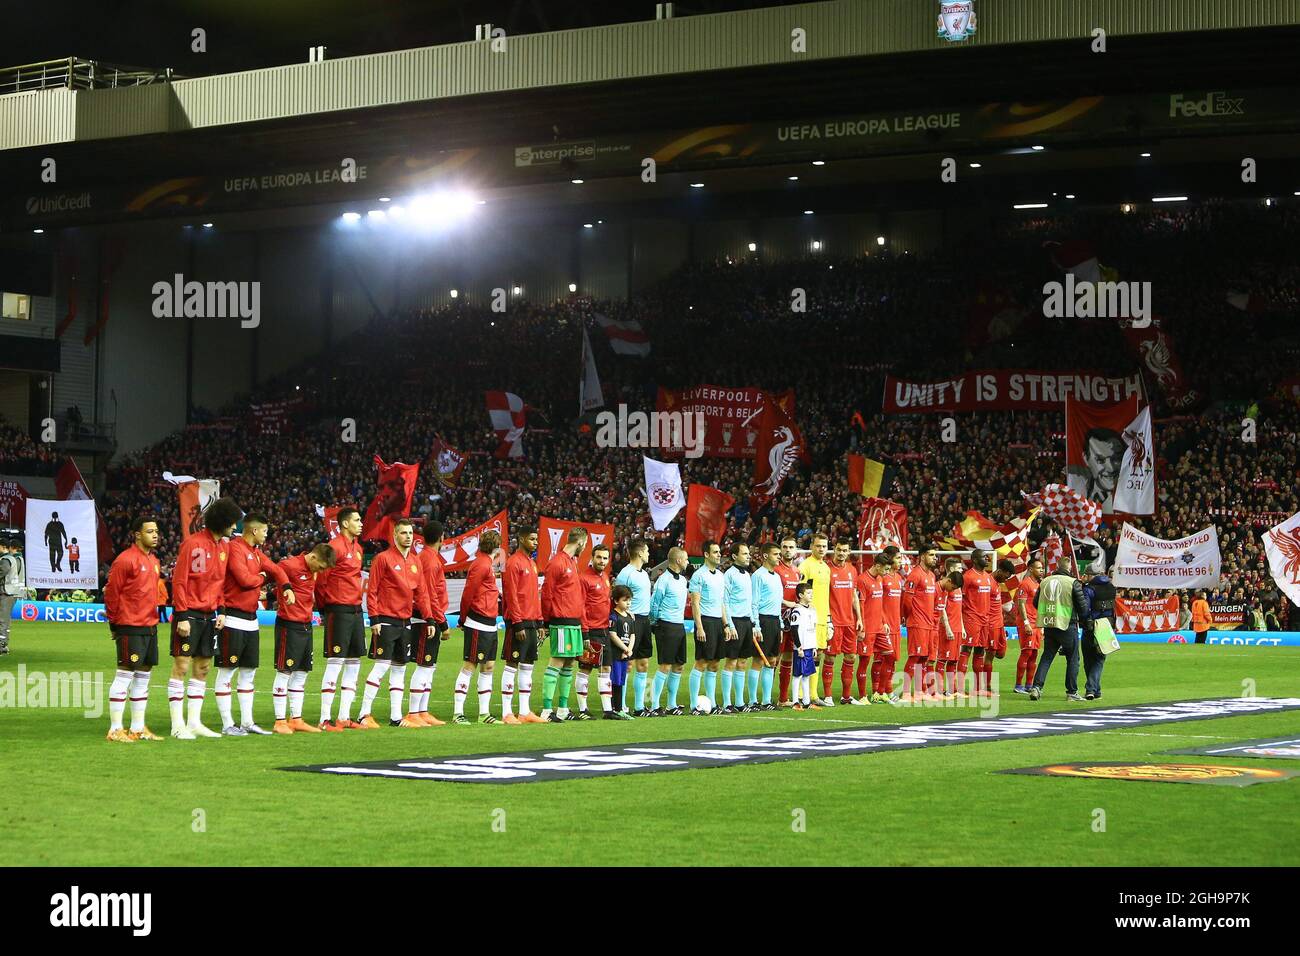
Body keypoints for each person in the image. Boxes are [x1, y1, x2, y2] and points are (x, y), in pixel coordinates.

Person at [168, 496, 241, 739]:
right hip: (189, 613)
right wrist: (181, 615)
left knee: (203, 668)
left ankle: (194, 722)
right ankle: (177, 726)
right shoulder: (192, 544)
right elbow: (179, 580)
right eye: (231, 522)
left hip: (211, 615)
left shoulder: (224, 547)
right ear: (221, 521)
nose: (234, 527)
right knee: (181, 665)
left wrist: (221, 610)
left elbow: (220, 583)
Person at [216, 513, 293, 736]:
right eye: (265, 532)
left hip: (251, 620)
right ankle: (227, 723)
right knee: (227, 672)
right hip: (232, 618)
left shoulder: (256, 553)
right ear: (254, 531)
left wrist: (286, 586)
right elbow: (245, 580)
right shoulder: (234, 549)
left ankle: (247, 722)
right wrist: (261, 577)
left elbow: (278, 570)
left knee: (249, 673)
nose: (267, 536)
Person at [358, 517, 431, 729]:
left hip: (405, 621)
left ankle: (396, 717)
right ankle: (364, 714)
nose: (408, 537)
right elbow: (372, 590)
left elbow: (422, 594)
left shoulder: (416, 562)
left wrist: (429, 618)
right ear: (395, 535)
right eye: (403, 533)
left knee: (400, 669)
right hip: (386, 620)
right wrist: (374, 618)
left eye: (410, 533)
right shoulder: (383, 559)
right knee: (381, 667)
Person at [103, 517, 164, 742]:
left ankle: (138, 728)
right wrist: (114, 624)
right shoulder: (125, 560)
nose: (155, 535)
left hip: (150, 625)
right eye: (150, 531)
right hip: (130, 625)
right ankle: (115, 729)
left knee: (143, 677)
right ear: (137, 534)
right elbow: (111, 594)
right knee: (124, 675)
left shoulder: (154, 561)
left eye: (156, 531)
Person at [270, 544, 337, 734]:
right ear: (313, 558)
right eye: (322, 567)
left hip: (306, 624)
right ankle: (279, 721)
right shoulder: (290, 565)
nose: (321, 571)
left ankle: (296, 718)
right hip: (288, 624)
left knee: (301, 674)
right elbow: (273, 573)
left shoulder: (311, 570)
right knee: (285, 672)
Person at [316, 506, 367, 729]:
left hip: (356, 610)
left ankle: (344, 716)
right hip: (338, 610)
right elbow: (320, 581)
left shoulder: (359, 549)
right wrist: (324, 610)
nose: (361, 523)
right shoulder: (333, 547)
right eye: (357, 520)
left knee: (354, 663)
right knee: (335, 662)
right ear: (345, 524)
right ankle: (324, 718)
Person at [453, 529, 503, 725]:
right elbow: (468, 593)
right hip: (478, 621)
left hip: (490, 622)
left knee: (488, 666)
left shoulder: (487, 564)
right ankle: (458, 713)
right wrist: (463, 618)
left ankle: (484, 714)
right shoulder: (481, 564)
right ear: (496, 547)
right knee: (471, 665)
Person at [1029, 559, 1090, 702]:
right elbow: (1083, 608)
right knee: (1073, 659)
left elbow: (1035, 602)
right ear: (1069, 568)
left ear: (1057, 567)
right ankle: (1072, 692)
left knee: (1047, 657)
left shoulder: (1045, 581)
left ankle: (1036, 688)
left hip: (1049, 624)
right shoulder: (1072, 582)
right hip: (1067, 624)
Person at [501, 526, 544, 724]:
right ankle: (506, 712)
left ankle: (525, 711)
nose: (535, 542)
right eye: (532, 539)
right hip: (518, 622)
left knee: (528, 666)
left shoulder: (532, 563)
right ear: (521, 539)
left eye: (536, 539)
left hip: (532, 621)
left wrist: (540, 621)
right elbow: (510, 595)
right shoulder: (513, 563)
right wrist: (517, 623)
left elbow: (534, 595)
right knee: (512, 664)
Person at [409, 520, 450, 726]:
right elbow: (429, 594)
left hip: (428, 616)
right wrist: (441, 622)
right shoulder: (430, 560)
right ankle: (414, 712)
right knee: (424, 664)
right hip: (427, 619)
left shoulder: (426, 557)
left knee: (429, 665)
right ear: (442, 537)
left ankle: (423, 711)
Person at [688, 540, 731, 714]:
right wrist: (699, 627)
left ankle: (712, 704)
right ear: (706, 554)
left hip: (717, 623)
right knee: (701, 662)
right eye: (715, 552)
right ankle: (693, 705)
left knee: (714, 664)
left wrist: (726, 624)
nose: (719, 554)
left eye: (719, 552)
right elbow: (695, 603)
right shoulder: (699, 575)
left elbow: (721, 602)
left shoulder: (720, 576)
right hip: (705, 621)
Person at [614, 537, 654, 716]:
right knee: (627, 663)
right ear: (639, 552)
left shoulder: (644, 573)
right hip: (631, 622)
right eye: (646, 550)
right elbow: (616, 596)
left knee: (644, 663)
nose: (648, 553)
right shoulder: (626, 573)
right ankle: (621, 705)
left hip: (645, 621)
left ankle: (639, 707)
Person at [648, 546, 689, 716]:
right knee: (665, 665)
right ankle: (655, 705)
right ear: (678, 560)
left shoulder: (683, 580)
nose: (687, 562)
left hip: (679, 625)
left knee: (679, 665)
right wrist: (654, 622)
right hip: (666, 625)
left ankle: (671, 704)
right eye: (686, 559)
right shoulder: (663, 580)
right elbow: (655, 602)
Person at [574, 542, 613, 720]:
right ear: (592, 557)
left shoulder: (605, 577)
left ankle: (608, 710)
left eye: (605, 558)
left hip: (604, 629)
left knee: (606, 668)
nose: (602, 561)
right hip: (591, 630)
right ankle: (583, 710)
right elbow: (580, 606)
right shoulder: (584, 578)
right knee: (585, 668)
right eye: (599, 557)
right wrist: (585, 633)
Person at [824, 539, 863, 706]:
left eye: (845, 550)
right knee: (830, 658)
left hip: (849, 621)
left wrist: (859, 617)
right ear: (834, 549)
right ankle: (827, 696)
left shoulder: (852, 570)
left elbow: (854, 595)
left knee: (851, 656)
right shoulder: (826, 569)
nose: (841, 553)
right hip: (833, 621)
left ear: (848, 552)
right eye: (839, 550)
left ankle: (846, 696)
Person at [900, 543, 939, 701]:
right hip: (917, 623)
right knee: (914, 657)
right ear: (922, 556)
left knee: (923, 658)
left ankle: (919, 692)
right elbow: (907, 601)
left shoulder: (931, 575)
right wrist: (910, 617)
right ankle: (906, 693)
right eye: (931, 555)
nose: (935, 558)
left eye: (935, 555)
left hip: (928, 623)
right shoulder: (915, 575)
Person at [721, 542, 756, 713]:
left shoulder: (747, 575)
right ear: (734, 556)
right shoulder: (729, 575)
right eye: (744, 553)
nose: (748, 556)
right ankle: (727, 702)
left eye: (748, 553)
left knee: (742, 662)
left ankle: (740, 702)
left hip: (746, 622)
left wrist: (753, 623)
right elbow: (725, 601)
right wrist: (729, 624)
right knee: (731, 662)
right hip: (734, 621)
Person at [750, 541, 784, 710]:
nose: (779, 557)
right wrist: (756, 625)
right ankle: (752, 700)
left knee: (771, 660)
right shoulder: (757, 576)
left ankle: (766, 700)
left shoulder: (777, 577)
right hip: (762, 620)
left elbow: (777, 603)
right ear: (765, 556)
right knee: (758, 660)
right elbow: (754, 602)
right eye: (776, 554)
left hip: (774, 622)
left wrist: (781, 623)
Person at [799, 533, 832, 702]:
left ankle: (813, 694)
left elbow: (825, 596)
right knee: (805, 654)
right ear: (812, 546)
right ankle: (799, 694)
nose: (821, 549)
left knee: (818, 654)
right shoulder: (805, 566)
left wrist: (828, 618)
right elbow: (800, 592)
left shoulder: (826, 568)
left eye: (824, 546)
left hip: (822, 618)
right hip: (809, 619)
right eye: (818, 546)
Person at [960, 551, 995, 699]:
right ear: (974, 560)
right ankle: (959, 688)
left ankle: (978, 688)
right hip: (971, 618)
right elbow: (960, 598)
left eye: (987, 556)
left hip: (985, 620)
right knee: (967, 649)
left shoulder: (988, 577)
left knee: (980, 651)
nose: (986, 558)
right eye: (983, 556)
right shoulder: (968, 576)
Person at [1080, 563, 1115, 700]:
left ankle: (1090, 689)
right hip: (1106, 625)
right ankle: (1096, 690)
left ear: (1090, 575)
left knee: (1089, 659)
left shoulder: (1088, 589)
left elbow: (1085, 609)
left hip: (1091, 626)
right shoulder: (1111, 587)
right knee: (1100, 659)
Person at [774, 536, 802, 706]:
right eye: (784, 547)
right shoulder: (776, 570)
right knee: (773, 660)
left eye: (791, 547)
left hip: (793, 621)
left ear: (796, 550)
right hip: (778, 620)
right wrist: (786, 603)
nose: (788, 550)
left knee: (788, 659)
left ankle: (783, 698)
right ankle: (765, 699)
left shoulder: (797, 572)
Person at [605, 584, 636, 719]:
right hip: (616, 654)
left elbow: (632, 635)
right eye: (625, 600)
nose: (628, 603)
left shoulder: (630, 617)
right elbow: (612, 635)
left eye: (629, 600)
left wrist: (630, 649)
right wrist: (624, 648)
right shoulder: (614, 616)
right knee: (615, 681)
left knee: (622, 681)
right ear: (616, 601)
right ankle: (614, 708)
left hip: (625, 654)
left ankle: (619, 708)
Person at [1014, 557, 1044, 694]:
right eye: (1038, 568)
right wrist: (1026, 623)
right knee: (1026, 652)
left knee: (1034, 654)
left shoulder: (1038, 584)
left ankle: (1029, 685)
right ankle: (1018, 685)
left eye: (1042, 568)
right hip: (1028, 623)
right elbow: (1020, 604)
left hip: (1036, 623)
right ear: (1031, 569)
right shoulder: (1025, 584)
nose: (1041, 570)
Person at [935, 569, 964, 698]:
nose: (960, 569)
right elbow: (942, 609)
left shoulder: (956, 587)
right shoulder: (944, 590)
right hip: (948, 628)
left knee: (954, 660)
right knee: (943, 659)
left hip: (957, 628)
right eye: (958, 567)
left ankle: (952, 690)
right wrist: (947, 627)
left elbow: (959, 609)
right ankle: (939, 690)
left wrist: (962, 627)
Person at [789, 582, 818, 710]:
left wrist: (815, 646)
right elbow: (794, 629)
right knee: (797, 674)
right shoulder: (797, 611)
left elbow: (813, 628)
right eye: (808, 593)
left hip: (809, 647)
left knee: (806, 674)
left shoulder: (812, 610)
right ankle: (795, 702)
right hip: (801, 648)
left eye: (812, 592)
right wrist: (799, 646)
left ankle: (806, 702)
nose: (811, 595)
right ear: (801, 595)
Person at [1081, 427, 1125, 512]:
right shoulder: (1077, 492)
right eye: (1100, 460)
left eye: (1116, 459)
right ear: (1086, 459)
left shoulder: (1133, 498)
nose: (1111, 468)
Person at [0, 532, 25, 655]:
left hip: (7, 592)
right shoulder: (19, 559)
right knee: (6, 620)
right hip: (14, 592)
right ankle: (4, 644)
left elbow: (3, 572)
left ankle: (1, 646)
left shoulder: (9, 559)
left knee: (3, 620)